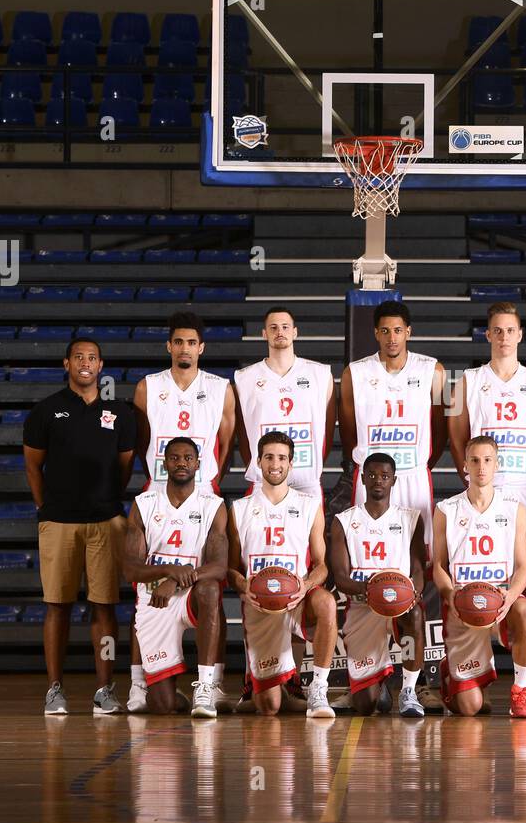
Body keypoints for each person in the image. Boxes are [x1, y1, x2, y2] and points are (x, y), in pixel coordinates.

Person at [338, 299, 448, 713]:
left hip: (414, 478)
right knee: (365, 567)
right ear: (375, 334)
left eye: (398, 330)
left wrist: (415, 465)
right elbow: (349, 432)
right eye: (383, 331)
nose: (391, 338)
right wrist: (374, 468)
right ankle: (372, 669)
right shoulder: (355, 374)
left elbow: (440, 429)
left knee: (419, 575)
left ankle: (419, 680)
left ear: (409, 332)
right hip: (372, 478)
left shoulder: (435, 371)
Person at [128, 311, 236, 715]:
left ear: (201, 347)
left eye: (192, 342)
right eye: (179, 342)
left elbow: (225, 443)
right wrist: (162, 483)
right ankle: (140, 684)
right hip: (158, 493)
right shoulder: (148, 388)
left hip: (202, 494)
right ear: (169, 346)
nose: (185, 348)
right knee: (143, 595)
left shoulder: (220, 388)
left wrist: (205, 482)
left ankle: (213, 683)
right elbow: (141, 443)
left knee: (211, 590)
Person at [23, 337, 135, 715]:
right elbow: (33, 466)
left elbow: (124, 467)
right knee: (58, 606)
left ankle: (105, 690)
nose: (85, 363)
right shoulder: (46, 411)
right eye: (78, 357)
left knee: (104, 607)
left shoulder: (118, 412)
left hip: (105, 522)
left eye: (92, 357)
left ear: (101, 365)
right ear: (66, 363)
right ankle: (54, 689)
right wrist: (45, 507)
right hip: (59, 522)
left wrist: (106, 502)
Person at [448, 302, 526, 591]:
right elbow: (457, 438)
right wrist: (472, 481)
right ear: (487, 335)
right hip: (484, 490)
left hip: (525, 489)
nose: (504, 337)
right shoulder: (467, 381)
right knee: (488, 567)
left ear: (520, 335)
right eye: (497, 330)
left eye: (510, 330)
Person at [226, 431, 338, 717]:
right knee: (270, 707)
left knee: (326, 602)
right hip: (260, 603)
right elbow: (231, 569)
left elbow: (323, 565)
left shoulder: (309, 505)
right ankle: (263, 693)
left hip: (298, 599)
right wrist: (243, 584)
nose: (275, 464)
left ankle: (318, 689)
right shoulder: (239, 509)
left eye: (282, 458)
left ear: (290, 463)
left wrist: (306, 585)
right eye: (269, 457)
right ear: (258, 462)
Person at [432, 435, 526, 717]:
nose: (481, 467)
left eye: (488, 460)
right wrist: (450, 594)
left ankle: (520, 693)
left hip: (499, 599)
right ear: (465, 465)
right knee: (470, 709)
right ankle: (451, 674)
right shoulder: (446, 510)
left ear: (496, 465)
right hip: (463, 604)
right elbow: (438, 566)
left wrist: (511, 596)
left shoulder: (514, 508)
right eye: (475, 460)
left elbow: (522, 567)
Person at [123, 438, 228, 716]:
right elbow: (131, 569)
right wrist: (169, 571)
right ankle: (166, 691)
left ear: (197, 464)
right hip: (156, 599)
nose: (181, 462)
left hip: (190, 595)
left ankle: (205, 688)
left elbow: (219, 566)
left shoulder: (212, 505)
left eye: (188, 458)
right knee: (163, 707)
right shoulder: (144, 504)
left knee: (210, 590)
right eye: (175, 458)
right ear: (165, 463)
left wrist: (177, 580)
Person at [329, 453, 430, 717]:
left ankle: (408, 690)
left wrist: (413, 593)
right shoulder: (344, 521)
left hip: (400, 606)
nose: (378, 481)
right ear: (362, 478)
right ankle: (377, 685)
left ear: (394, 481)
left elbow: (418, 568)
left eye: (385, 476)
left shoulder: (411, 518)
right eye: (372, 475)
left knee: (415, 614)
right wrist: (371, 591)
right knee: (367, 706)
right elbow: (340, 576)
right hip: (363, 608)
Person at [234, 306, 336, 497]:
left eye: (285, 327)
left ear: (295, 332)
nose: (279, 332)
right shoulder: (245, 378)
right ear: (264, 334)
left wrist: (315, 462)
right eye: (273, 328)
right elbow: (242, 430)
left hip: (307, 479)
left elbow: (328, 428)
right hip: (265, 479)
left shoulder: (320, 374)